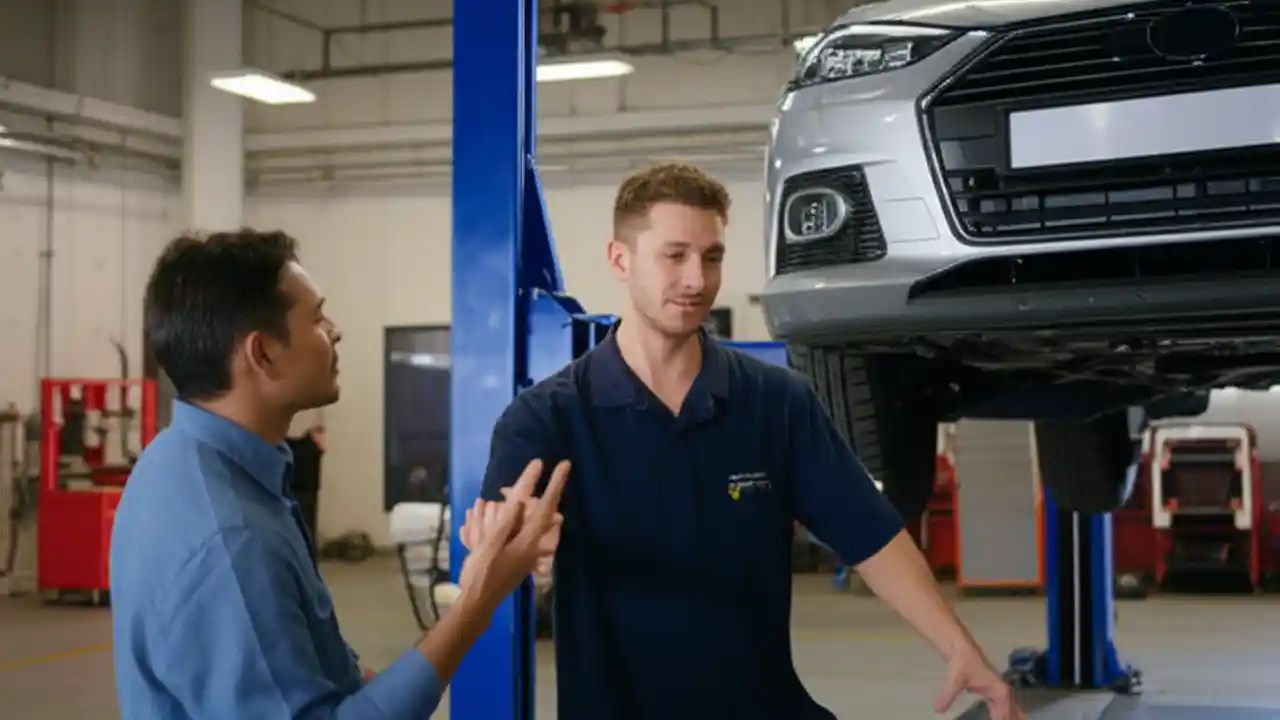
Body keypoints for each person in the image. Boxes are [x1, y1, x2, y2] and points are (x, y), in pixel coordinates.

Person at [463, 163, 1026, 720]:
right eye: (674, 255)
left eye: (712, 258)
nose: (696, 280)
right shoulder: (546, 419)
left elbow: (871, 537)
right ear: (620, 259)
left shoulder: (777, 403)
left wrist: (960, 649)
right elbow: (491, 562)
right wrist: (518, 564)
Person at [109, 230, 569, 719]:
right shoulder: (232, 538)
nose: (335, 330)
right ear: (262, 353)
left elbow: (309, 680)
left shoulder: (175, 462)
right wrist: (478, 600)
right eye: (317, 318)